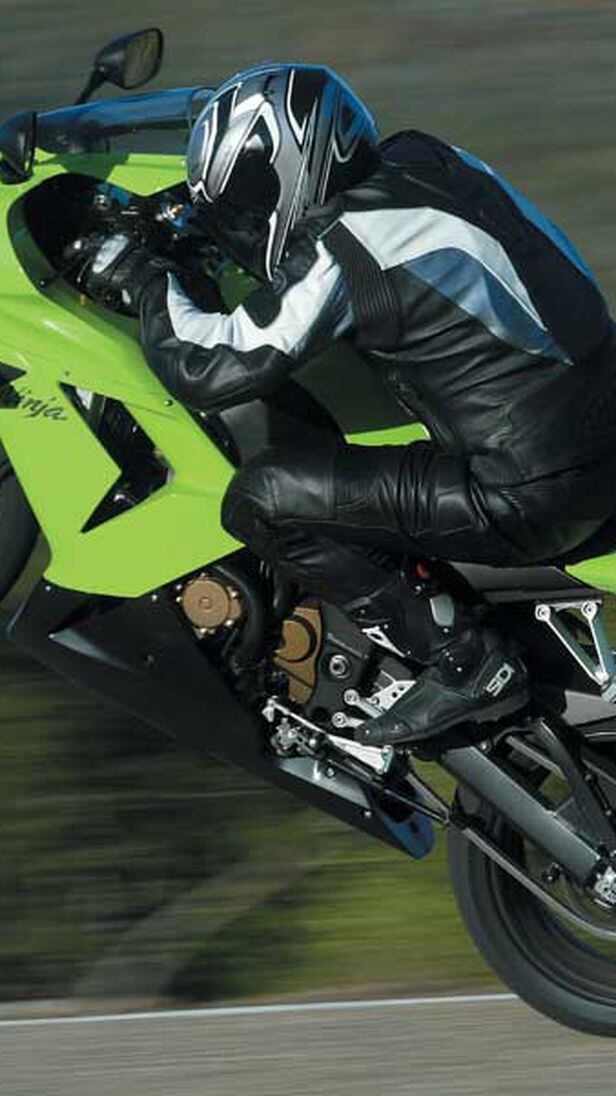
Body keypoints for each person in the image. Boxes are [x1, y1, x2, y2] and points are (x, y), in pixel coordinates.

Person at [83, 62, 616, 753]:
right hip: (595, 432)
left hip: (529, 492)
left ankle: (464, 656)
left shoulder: (345, 242)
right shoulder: (430, 158)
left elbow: (213, 365)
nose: (244, 220)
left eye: (248, 201)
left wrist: (146, 276)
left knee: (263, 498)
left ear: (293, 172)